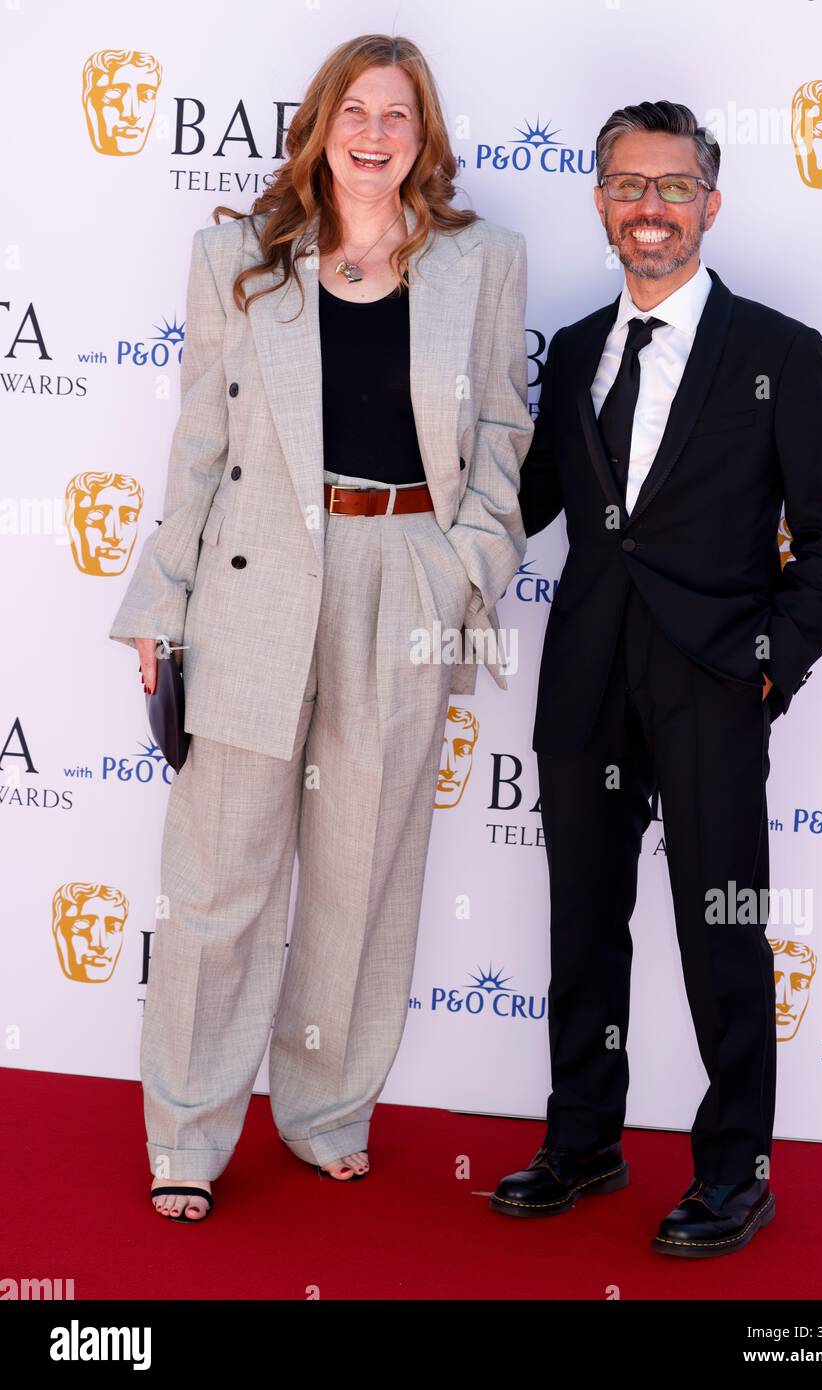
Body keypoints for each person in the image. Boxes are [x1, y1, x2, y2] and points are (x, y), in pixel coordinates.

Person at [109, 33, 532, 1222]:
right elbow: (199, 446)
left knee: (363, 875)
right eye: (357, 106)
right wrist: (163, 604)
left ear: (423, 136)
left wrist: (461, 570)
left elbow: (504, 433)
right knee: (218, 880)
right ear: (323, 121)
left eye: (400, 113)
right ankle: (187, 1135)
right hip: (255, 575)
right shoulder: (237, 256)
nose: (376, 130)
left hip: (404, 571)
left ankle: (325, 1111)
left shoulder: (482, 262)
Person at [492, 100, 822, 1257]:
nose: (647, 208)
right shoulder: (567, 351)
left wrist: (769, 668)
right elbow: (524, 506)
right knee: (582, 923)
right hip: (587, 670)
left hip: (712, 679)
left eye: (670, 186)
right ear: (598, 200)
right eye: (624, 185)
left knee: (722, 925)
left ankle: (734, 1173)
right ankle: (584, 1140)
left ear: (710, 200)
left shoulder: (778, 352)